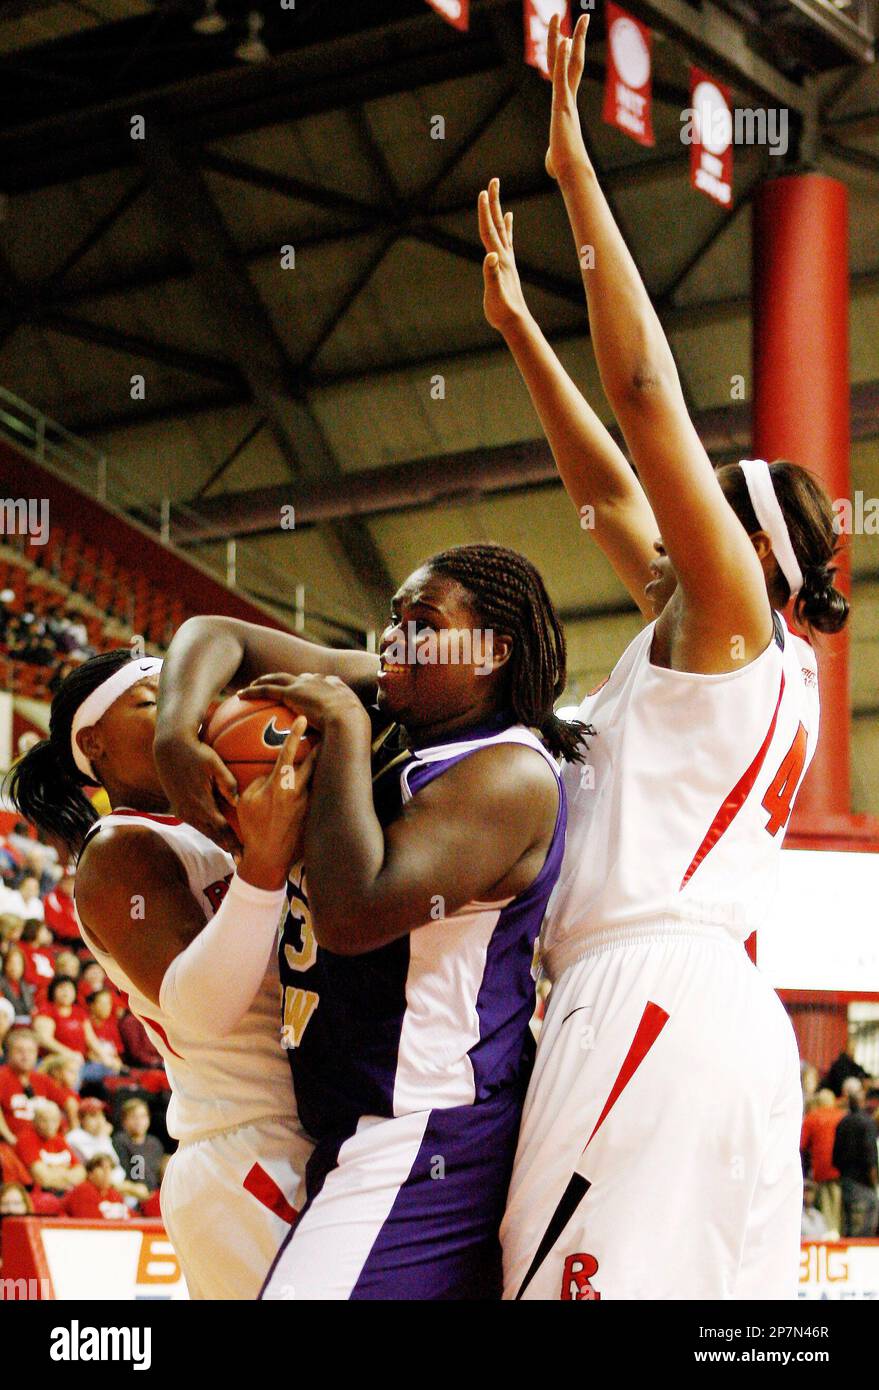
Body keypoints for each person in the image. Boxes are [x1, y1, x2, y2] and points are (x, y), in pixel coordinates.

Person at [483, 14, 849, 1301]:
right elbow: (608, 489)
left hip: (643, 1000)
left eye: (706, 494)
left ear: (747, 548)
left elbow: (647, 406)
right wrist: (523, 328)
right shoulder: (723, 652)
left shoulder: (735, 619)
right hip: (710, 1019)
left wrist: (578, 173)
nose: (670, 503)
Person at [156, 542, 580, 1299]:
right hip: (354, 1123)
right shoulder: (391, 696)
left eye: (421, 623)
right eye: (393, 620)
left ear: (492, 652)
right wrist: (175, 732)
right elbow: (215, 632)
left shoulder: (505, 773)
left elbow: (351, 914)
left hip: (426, 1130)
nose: (393, 640)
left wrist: (347, 731)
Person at [4, 648, 316, 1299]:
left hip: (303, 1127)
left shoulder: (218, 825)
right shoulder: (120, 850)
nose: (185, 713)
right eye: (153, 703)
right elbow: (202, 1008)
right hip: (245, 1151)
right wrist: (262, 863)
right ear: (96, 744)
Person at [0, 1029, 79, 1142]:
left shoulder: (42, 1079)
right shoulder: (2, 1077)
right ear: (8, 1053)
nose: (25, 1056)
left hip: (46, 1142)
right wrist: (9, 1138)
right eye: (19, 1051)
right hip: (15, 1142)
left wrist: (72, 1132)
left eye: (30, 1051)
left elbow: (69, 1102)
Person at [67, 1097, 147, 1203]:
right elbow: (99, 1170)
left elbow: (116, 1169)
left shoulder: (103, 1138)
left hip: (116, 1190)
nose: (99, 1120)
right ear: (81, 1120)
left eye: (101, 1115)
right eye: (93, 1116)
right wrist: (131, 1188)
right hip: (91, 1192)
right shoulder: (75, 1137)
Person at [832, 1089, 879, 1237]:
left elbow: (835, 1156)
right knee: (864, 1228)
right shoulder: (867, 1123)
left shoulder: (842, 1122)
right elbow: (870, 1156)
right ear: (862, 1102)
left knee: (847, 1226)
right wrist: (874, 1184)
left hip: (845, 1181)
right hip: (863, 1184)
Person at [16, 1100, 85, 1196]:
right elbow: (42, 1179)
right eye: (44, 1120)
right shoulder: (26, 1139)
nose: (50, 1125)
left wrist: (53, 1173)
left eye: (54, 1120)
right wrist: (67, 1173)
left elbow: (81, 1172)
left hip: (66, 1193)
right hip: (42, 1195)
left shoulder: (59, 1139)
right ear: (35, 1121)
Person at [801, 1089, 844, 1235]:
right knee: (839, 1205)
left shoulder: (812, 1117)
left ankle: (829, 1233)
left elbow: (801, 1145)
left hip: (822, 1168)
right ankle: (838, 1232)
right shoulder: (841, 1115)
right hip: (842, 1170)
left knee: (826, 1205)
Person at [62, 1154, 129, 1221]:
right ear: (90, 1173)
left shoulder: (114, 1194)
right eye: (102, 1168)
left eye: (110, 1168)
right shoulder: (83, 1190)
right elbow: (90, 1223)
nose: (107, 1172)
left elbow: (129, 1217)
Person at [0, 945, 36, 1020]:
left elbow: (31, 1009)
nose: (14, 967)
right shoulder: (1, 983)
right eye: (11, 963)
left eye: (18, 963)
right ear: (5, 965)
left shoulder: (26, 986)